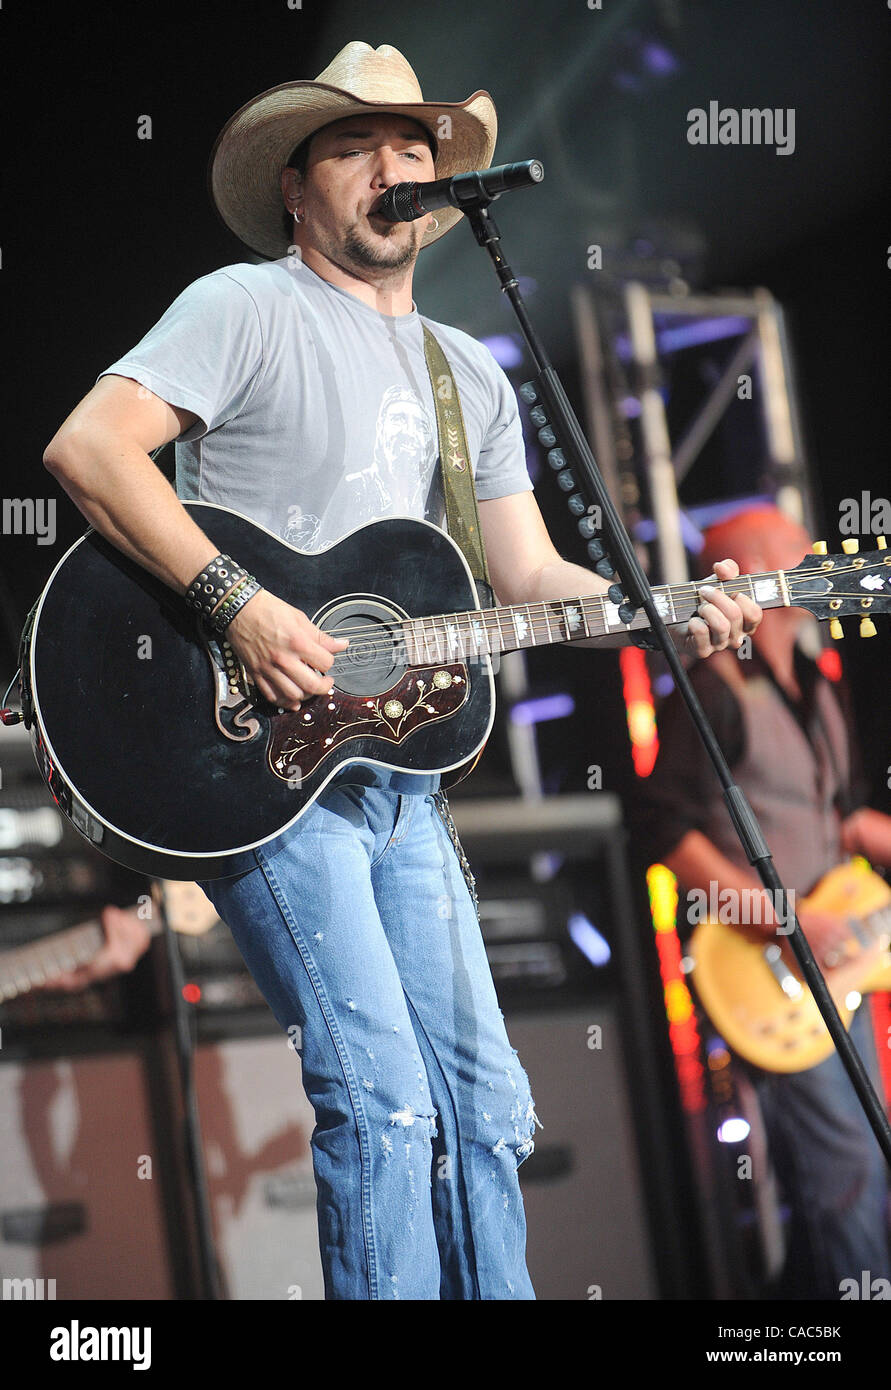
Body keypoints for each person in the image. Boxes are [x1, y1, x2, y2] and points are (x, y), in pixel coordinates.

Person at [41, 41, 760, 1300]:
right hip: (258, 769)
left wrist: (665, 609)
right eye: (358, 144)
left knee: (486, 1106)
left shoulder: (464, 371)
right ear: (295, 187)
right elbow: (90, 447)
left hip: (395, 786)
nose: (397, 166)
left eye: (417, 147)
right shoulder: (243, 306)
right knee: (380, 1100)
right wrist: (242, 605)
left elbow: (530, 577)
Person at [638, 504, 891, 1300]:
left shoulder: (813, 681)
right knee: (845, 1163)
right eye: (796, 554)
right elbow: (662, 830)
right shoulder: (707, 691)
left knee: (860, 1158)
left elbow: (840, 814)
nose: (819, 566)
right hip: (766, 962)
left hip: (835, 957)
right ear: (752, 576)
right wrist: (782, 919)